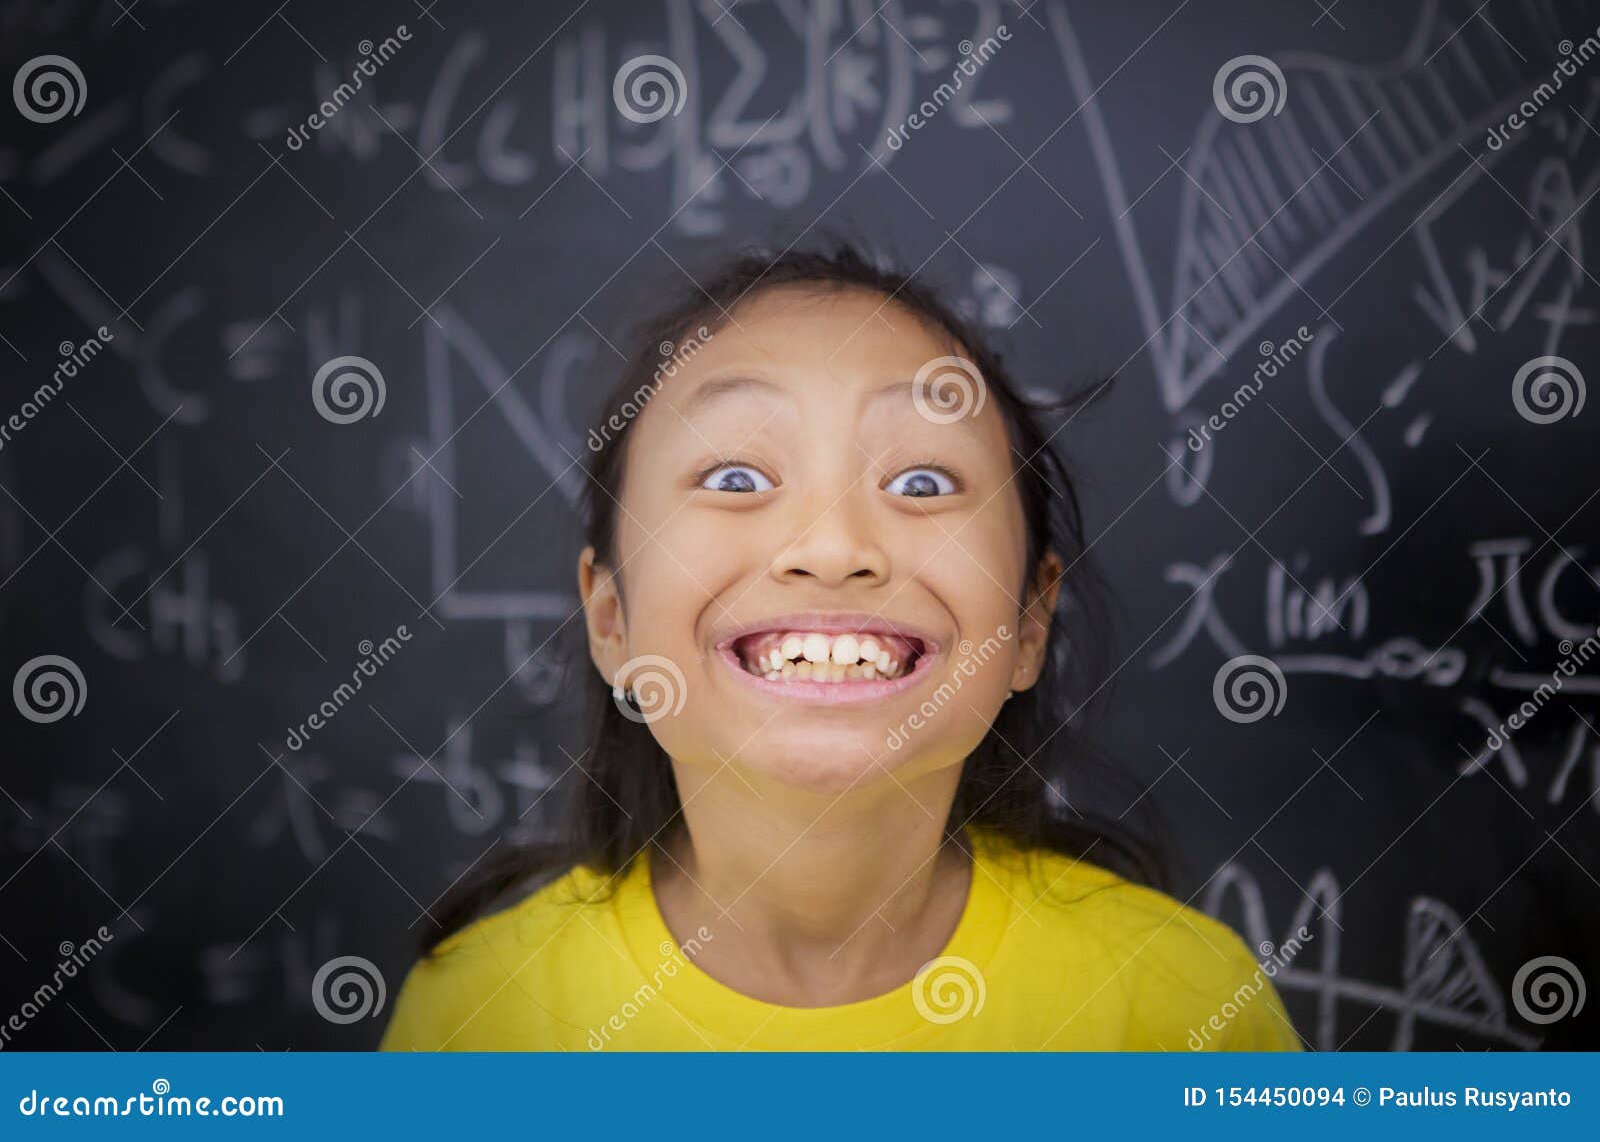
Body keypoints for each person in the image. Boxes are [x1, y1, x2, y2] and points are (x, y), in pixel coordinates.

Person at [380, 244, 1301, 1051]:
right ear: (612, 623)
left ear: (1029, 623)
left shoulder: (1180, 1012)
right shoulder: (480, 1019)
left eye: (924, 478)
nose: (831, 548)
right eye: (736, 475)